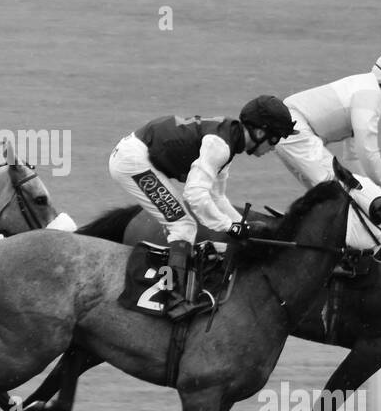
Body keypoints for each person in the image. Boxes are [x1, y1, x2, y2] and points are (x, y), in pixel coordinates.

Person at [108, 96, 298, 321]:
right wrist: (230, 227)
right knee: (183, 226)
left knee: (185, 223)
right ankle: (174, 298)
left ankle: (176, 291)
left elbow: (217, 196)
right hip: (133, 162)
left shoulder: (229, 140)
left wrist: (242, 226)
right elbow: (195, 195)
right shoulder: (220, 146)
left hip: (137, 155)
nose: (274, 147)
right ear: (259, 132)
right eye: (275, 138)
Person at [275, 50, 381, 198]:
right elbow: (367, 151)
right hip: (295, 130)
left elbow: (354, 154)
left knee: (334, 197)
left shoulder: (366, 89)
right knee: (340, 194)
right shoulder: (370, 96)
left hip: (292, 129)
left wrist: (374, 190)